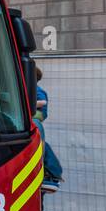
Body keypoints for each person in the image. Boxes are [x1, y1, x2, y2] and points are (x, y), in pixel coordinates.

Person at [34, 66, 63, 194]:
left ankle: (51, 174)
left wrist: (26, 104)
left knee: (39, 140)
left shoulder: (36, 89)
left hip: (37, 113)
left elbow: (43, 102)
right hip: (34, 113)